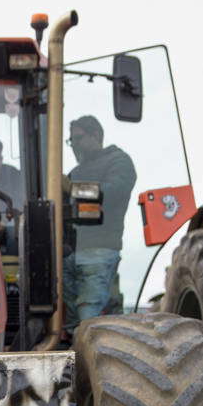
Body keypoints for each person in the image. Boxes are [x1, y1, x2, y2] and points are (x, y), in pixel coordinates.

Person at [63, 115, 136, 329]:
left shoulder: (119, 161)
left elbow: (111, 192)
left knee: (89, 320)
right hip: (70, 255)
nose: (74, 145)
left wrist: (73, 189)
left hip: (99, 250)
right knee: (73, 323)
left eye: (78, 138)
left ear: (96, 135)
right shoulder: (76, 172)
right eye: (71, 141)